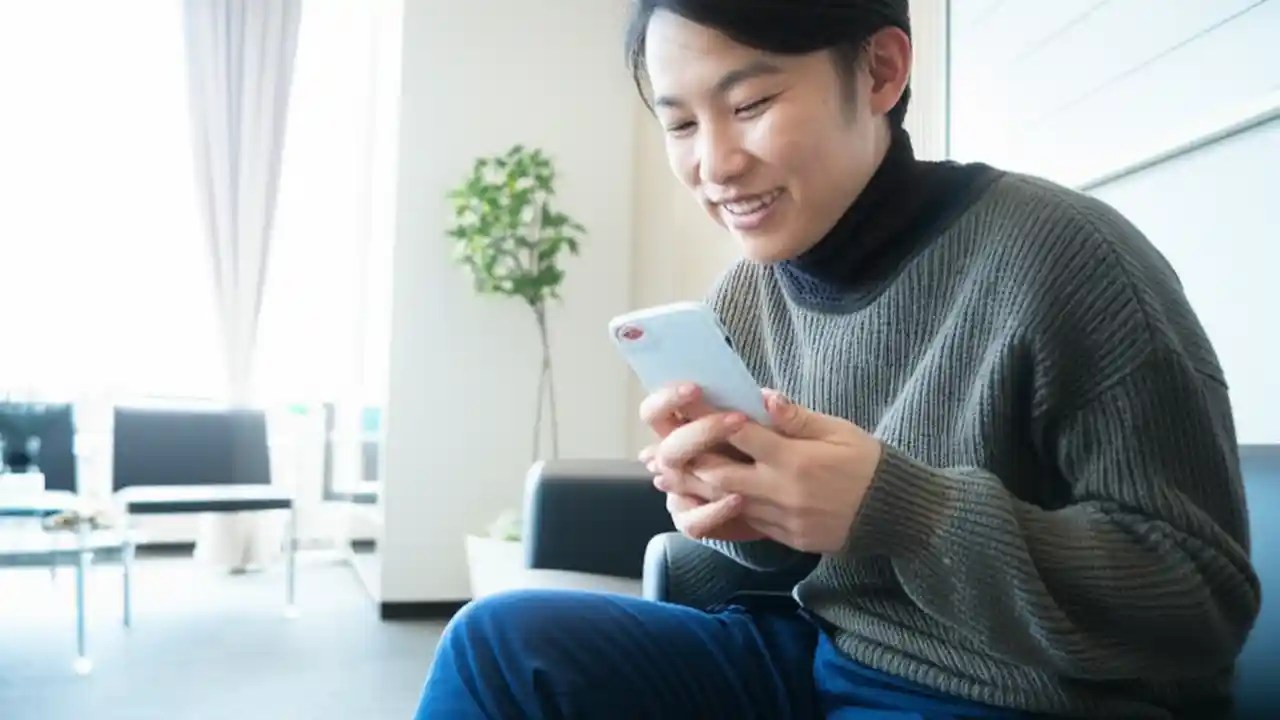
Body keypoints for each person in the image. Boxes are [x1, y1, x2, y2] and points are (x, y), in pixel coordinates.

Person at [415, 1, 1261, 717]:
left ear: (881, 72)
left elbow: (1200, 599)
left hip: (1022, 697)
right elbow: (798, 564)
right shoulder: (745, 299)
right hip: (822, 660)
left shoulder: (1066, 259)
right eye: (679, 123)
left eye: (749, 105)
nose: (712, 165)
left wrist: (902, 510)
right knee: (501, 645)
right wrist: (746, 514)